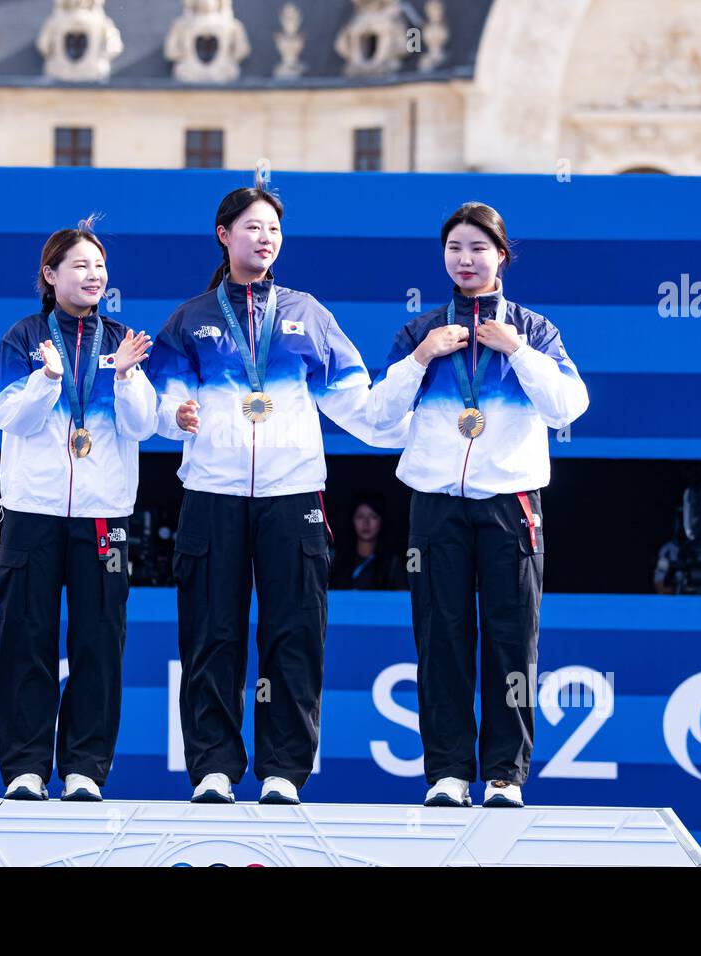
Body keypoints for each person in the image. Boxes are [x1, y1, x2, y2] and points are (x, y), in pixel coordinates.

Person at [146, 180, 409, 806]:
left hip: (294, 494)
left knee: (295, 632)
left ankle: (284, 770)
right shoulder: (192, 319)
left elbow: (358, 403)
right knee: (211, 632)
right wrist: (174, 414)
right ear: (224, 235)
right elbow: (159, 403)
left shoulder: (308, 313)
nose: (265, 239)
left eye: (273, 230)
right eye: (253, 228)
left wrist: (414, 387)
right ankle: (212, 766)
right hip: (213, 489)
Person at [367, 201, 589, 809]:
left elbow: (569, 407)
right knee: (440, 636)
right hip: (436, 504)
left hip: (510, 503)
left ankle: (505, 776)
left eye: (478, 249)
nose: (465, 260)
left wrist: (516, 350)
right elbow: (378, 417)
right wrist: (420, 359)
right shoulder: (421, 330)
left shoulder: (535, 330)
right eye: (455, 249)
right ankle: (446, 773)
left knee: (511, 638)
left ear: (501, 256)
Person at [0, 218, 156, 802]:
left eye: (100, 266)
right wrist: (47, 380)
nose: (94, 276)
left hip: (103, 512)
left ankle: (85, 768)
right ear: (50, 274)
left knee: (99, 641)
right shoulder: (23, 337)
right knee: (25, 639)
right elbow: (10, 417)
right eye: (80, 265)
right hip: (31, 510)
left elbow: (143, 426)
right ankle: (26, 770)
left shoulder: (122, 341)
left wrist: (130, 377)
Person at [329, 494, 408, 590]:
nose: (366, 523)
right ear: (352, 520)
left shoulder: (393, 563)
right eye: (360, 517)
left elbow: (402, 598)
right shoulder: (335, 559)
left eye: (373, 516)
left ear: (382, 521)